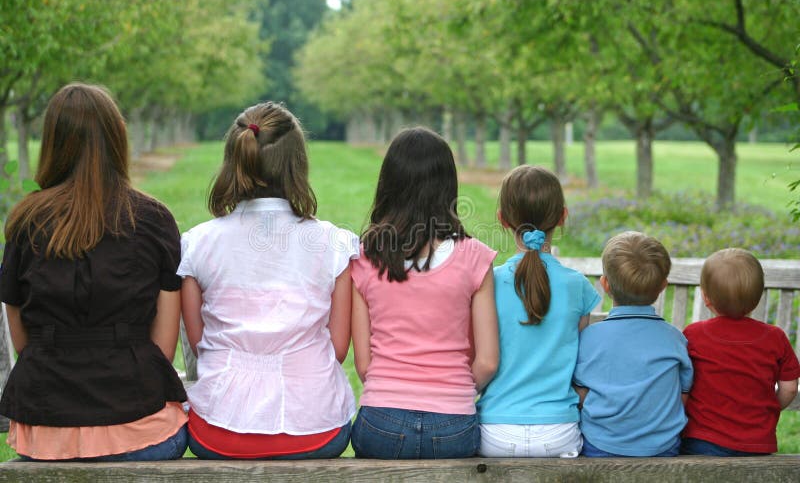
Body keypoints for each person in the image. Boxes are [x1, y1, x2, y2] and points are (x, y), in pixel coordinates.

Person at [0, 83, 187, 461]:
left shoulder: (25, 221)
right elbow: (164, 347)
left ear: (53, 142)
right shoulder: (153, 218)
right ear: (118, 138)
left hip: (45, 430)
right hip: (137, 424)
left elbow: (22, 339)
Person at [179, 101, 358, 460]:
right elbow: (338, 350)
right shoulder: (334, 243)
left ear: (233, 160)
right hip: (316, 427)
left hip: (217, 427)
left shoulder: (197, 243)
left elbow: (198, 345)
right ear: (297, 165)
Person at [350, 127, 499, 459]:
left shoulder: (364, 258)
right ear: (448, 186)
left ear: (388, 185)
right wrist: (450, 394)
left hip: (380, 421)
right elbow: (487, 362)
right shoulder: (476, 257)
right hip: (454, 425)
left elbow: (363, 365)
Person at [476, 165, 600, 458]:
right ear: (562, 217)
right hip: (559, 431)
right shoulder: (577, 286)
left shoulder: (488, 283)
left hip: (495, 431)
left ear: (502, 220)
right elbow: (582, 361)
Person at [573, 231, 693, 457]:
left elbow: (579, 393)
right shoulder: (675, 339)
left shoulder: (589, 338)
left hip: (601, 445)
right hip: (663, 448)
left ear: (605, 285)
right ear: (662, 286)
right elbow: (683, 395)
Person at [681, 248, 800, 456]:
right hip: (758, 442)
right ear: (757, 298)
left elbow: (682, 382)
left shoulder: (694, 335)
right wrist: (768, 409)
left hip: (702, 440)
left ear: (705, 298)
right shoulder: (775, 337)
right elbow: (790, 389)